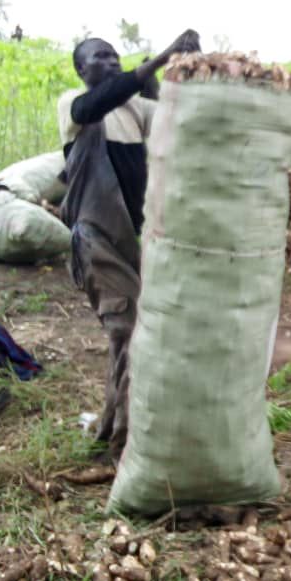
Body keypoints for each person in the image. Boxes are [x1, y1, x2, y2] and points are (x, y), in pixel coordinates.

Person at [58, 30, 200, 455]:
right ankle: (122, 438)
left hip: (133, 238)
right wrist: (159, 59)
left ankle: (119, 427)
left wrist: (181, 70)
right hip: (96, 236)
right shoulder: (74, 104)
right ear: (82, 69)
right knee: (125, 328)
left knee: (140, 331)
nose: (112, 61)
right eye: (101, 57)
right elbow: (96, 102)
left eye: (117, 56)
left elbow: (174, 119)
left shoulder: (133, 106)